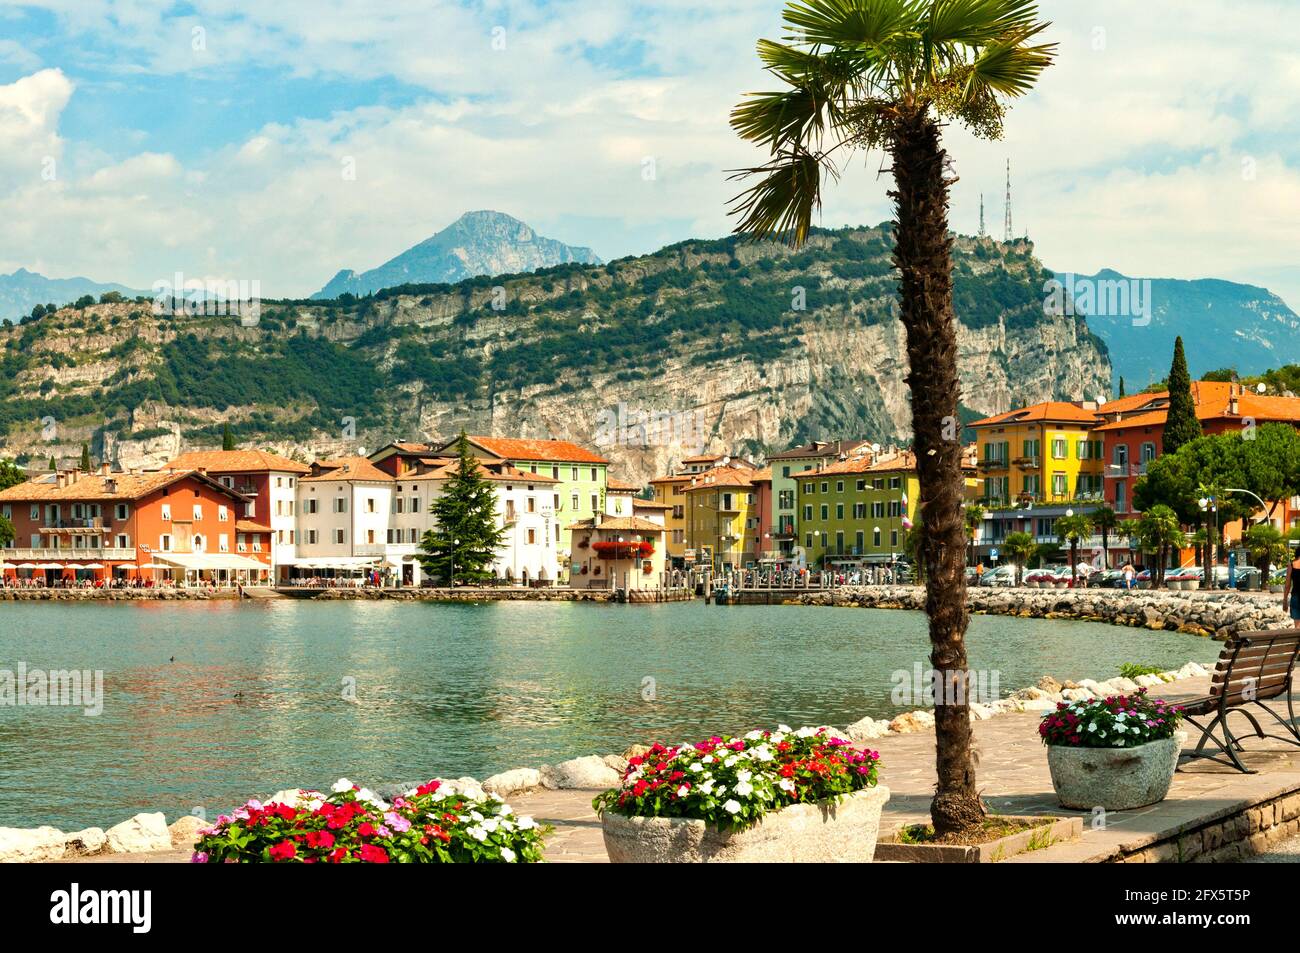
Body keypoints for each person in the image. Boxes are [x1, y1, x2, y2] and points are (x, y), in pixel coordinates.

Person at [1283, 544, 1300, 630]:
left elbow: (1287, 585)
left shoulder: (1291, 565)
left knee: (1297, 627)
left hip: (1296, 597)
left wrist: (1285, 600)